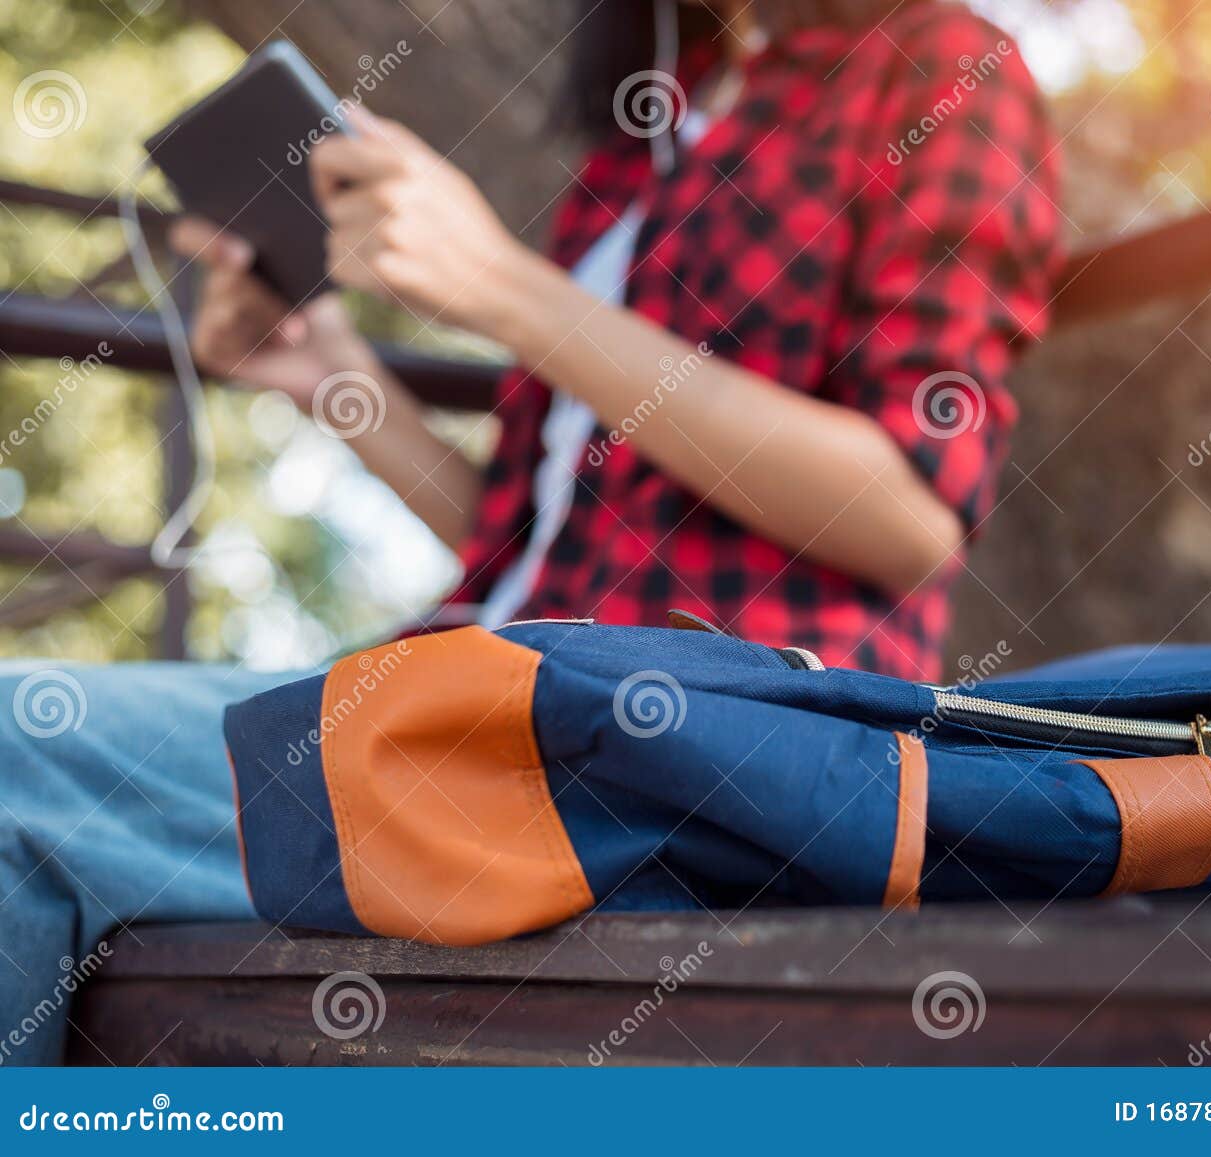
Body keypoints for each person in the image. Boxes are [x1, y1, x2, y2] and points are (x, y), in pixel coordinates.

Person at [0, 0, 1061, 1063]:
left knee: (19, 758)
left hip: (693, 760)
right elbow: (522, 549)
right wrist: (329, 373)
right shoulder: (646, 127)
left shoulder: (940, 68)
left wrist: (503, 287)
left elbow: (909, 509)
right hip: (477, 701)